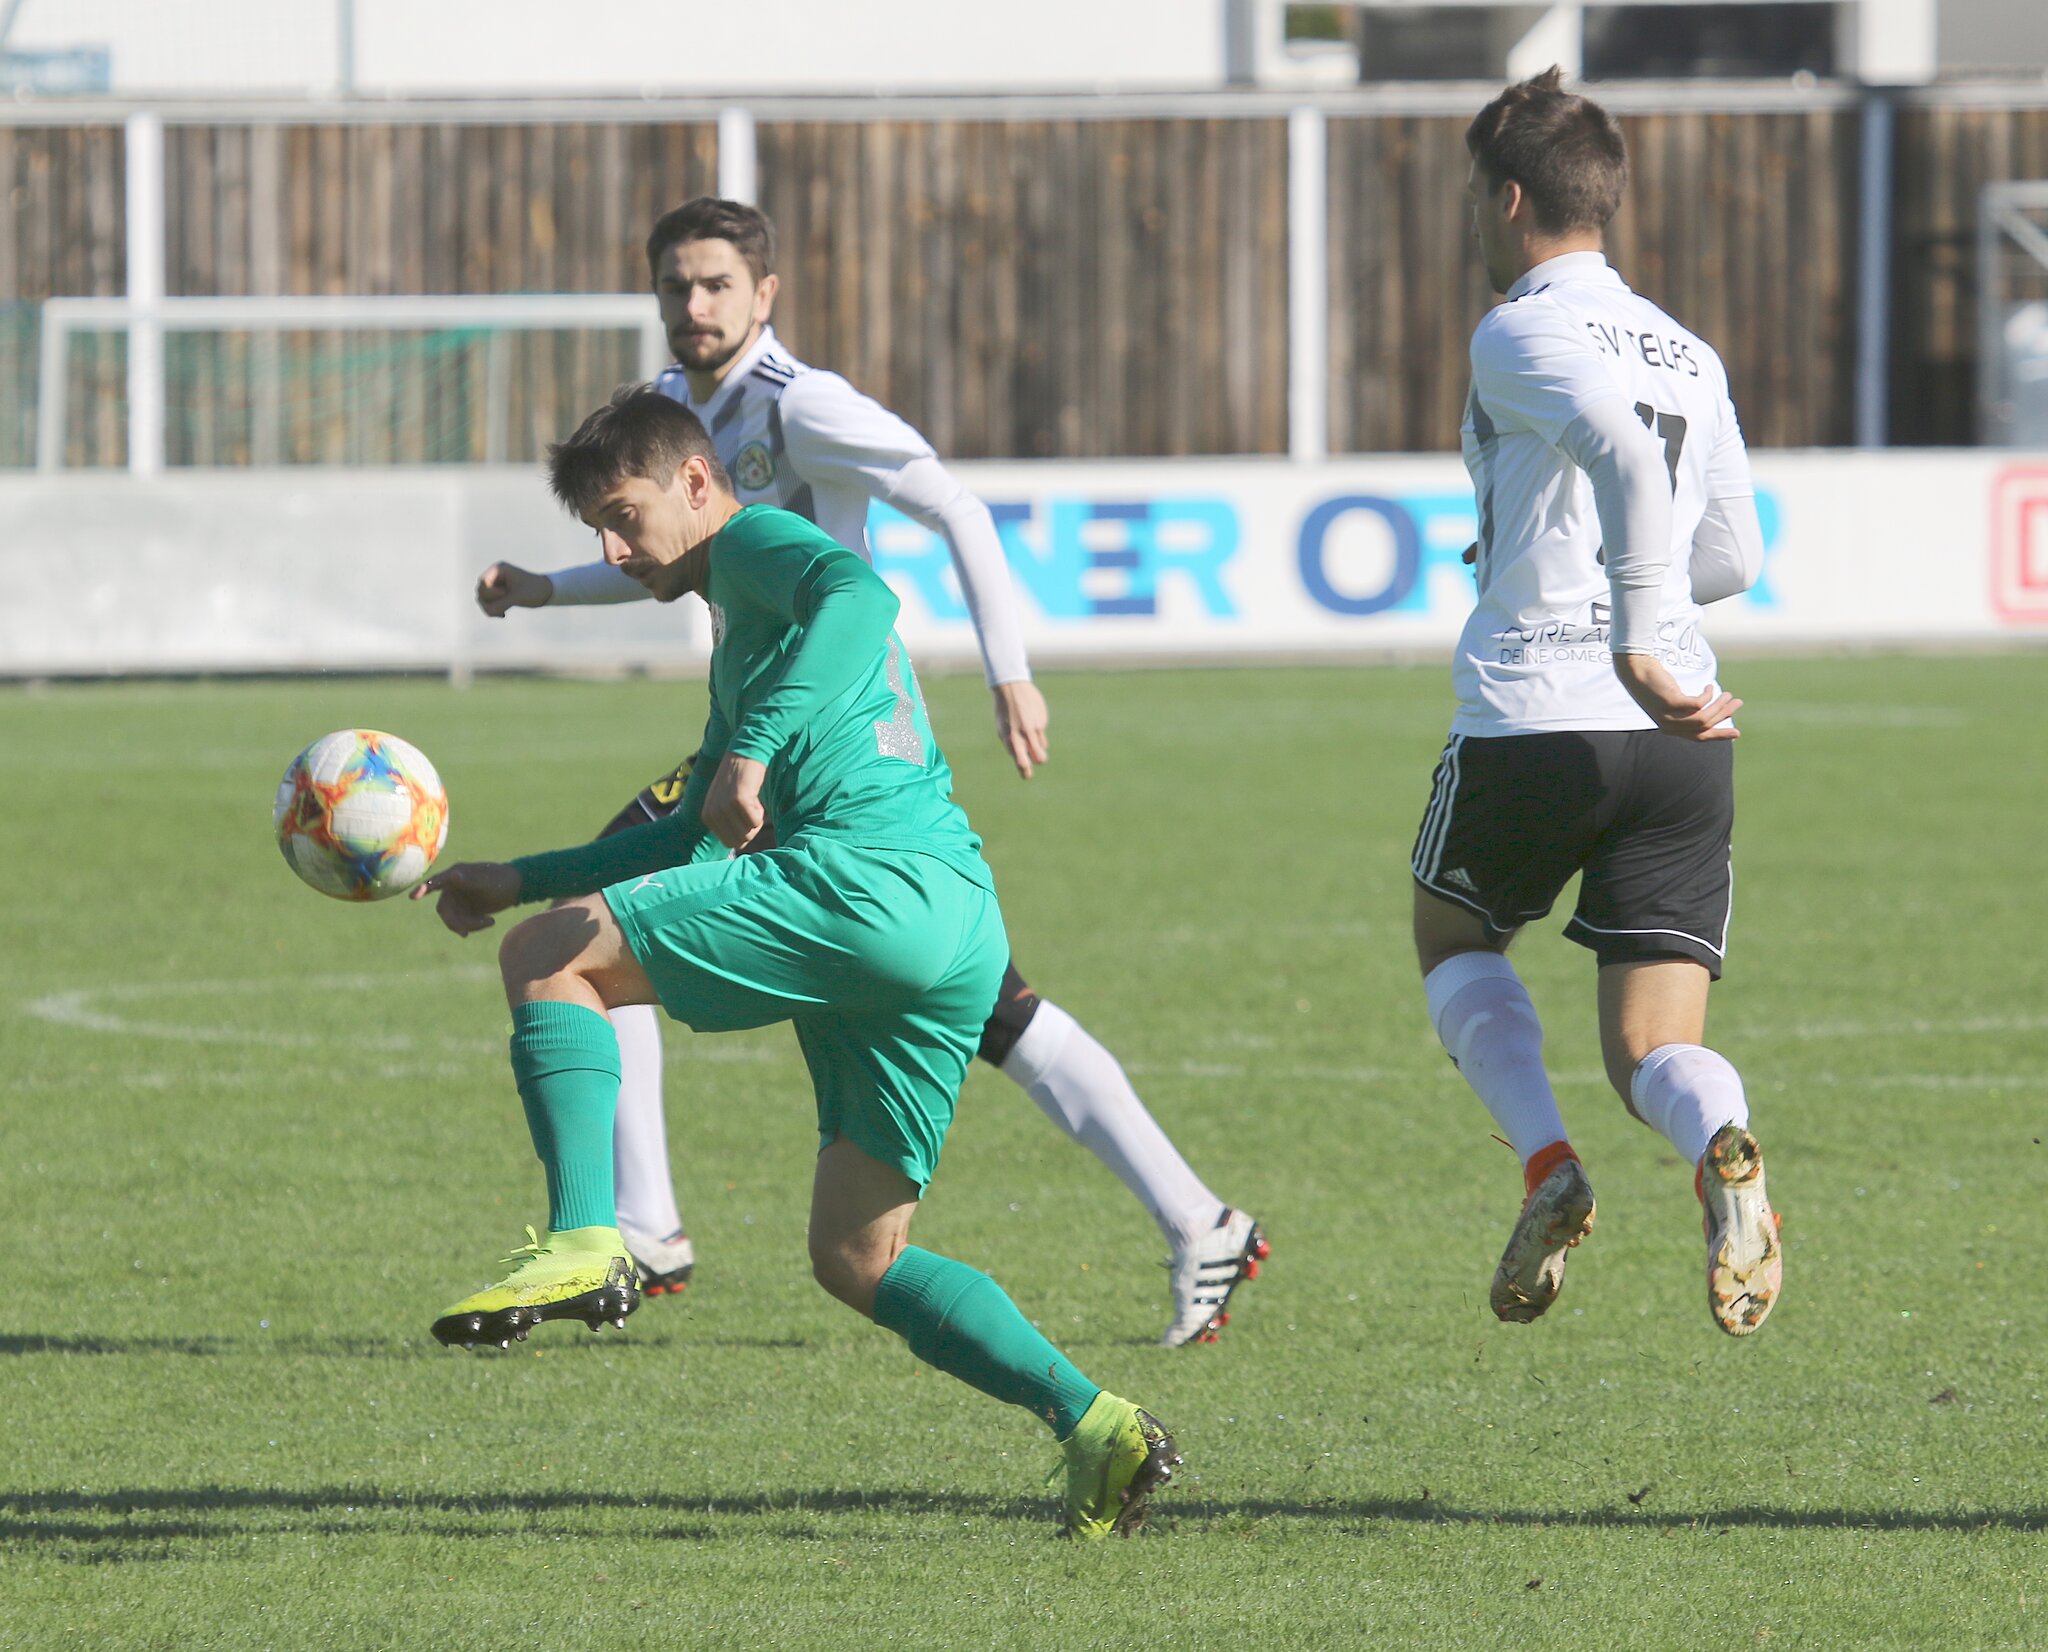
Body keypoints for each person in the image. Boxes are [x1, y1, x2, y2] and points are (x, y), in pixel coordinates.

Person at [475, 196, 1264, 1347]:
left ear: (763, 295)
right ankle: (1199, 1217)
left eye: (714, 285)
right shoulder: (671, 415)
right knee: (970, 995)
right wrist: (549, 588)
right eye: (674, 287)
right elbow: (656, 560)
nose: (692, 306)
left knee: (590, 931)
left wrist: (1010, 669)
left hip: (829, 733)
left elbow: (945, 505)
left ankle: (634, 1225)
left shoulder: (805, 405)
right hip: (762, 733)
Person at [416, 388, 1181, 1537]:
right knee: (856, 1252)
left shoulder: (758, 540)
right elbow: (678, 834)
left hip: (862, 884)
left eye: (626, 518)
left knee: (547, 962)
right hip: (950, 923)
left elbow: (864, 591)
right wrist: (515, 872)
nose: (617, 553)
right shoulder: (742, 633)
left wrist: (755, 750)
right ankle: (1099, 1427)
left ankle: (587, 1235)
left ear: (695, 481)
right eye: (597, 535)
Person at [1411, 70, 1781, 1337]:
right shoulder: (1687, 346)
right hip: (1684, 737)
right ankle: (1718, 1137)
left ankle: (1544, 1165)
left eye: (1473, 191)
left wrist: (1622, 632)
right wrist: (1654, 626)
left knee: (1453, 939)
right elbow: (1728, 551)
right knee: (1650, 1049)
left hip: (1542, 710)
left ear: (1507, 197)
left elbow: (1621, 454)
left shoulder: (1513, 328)